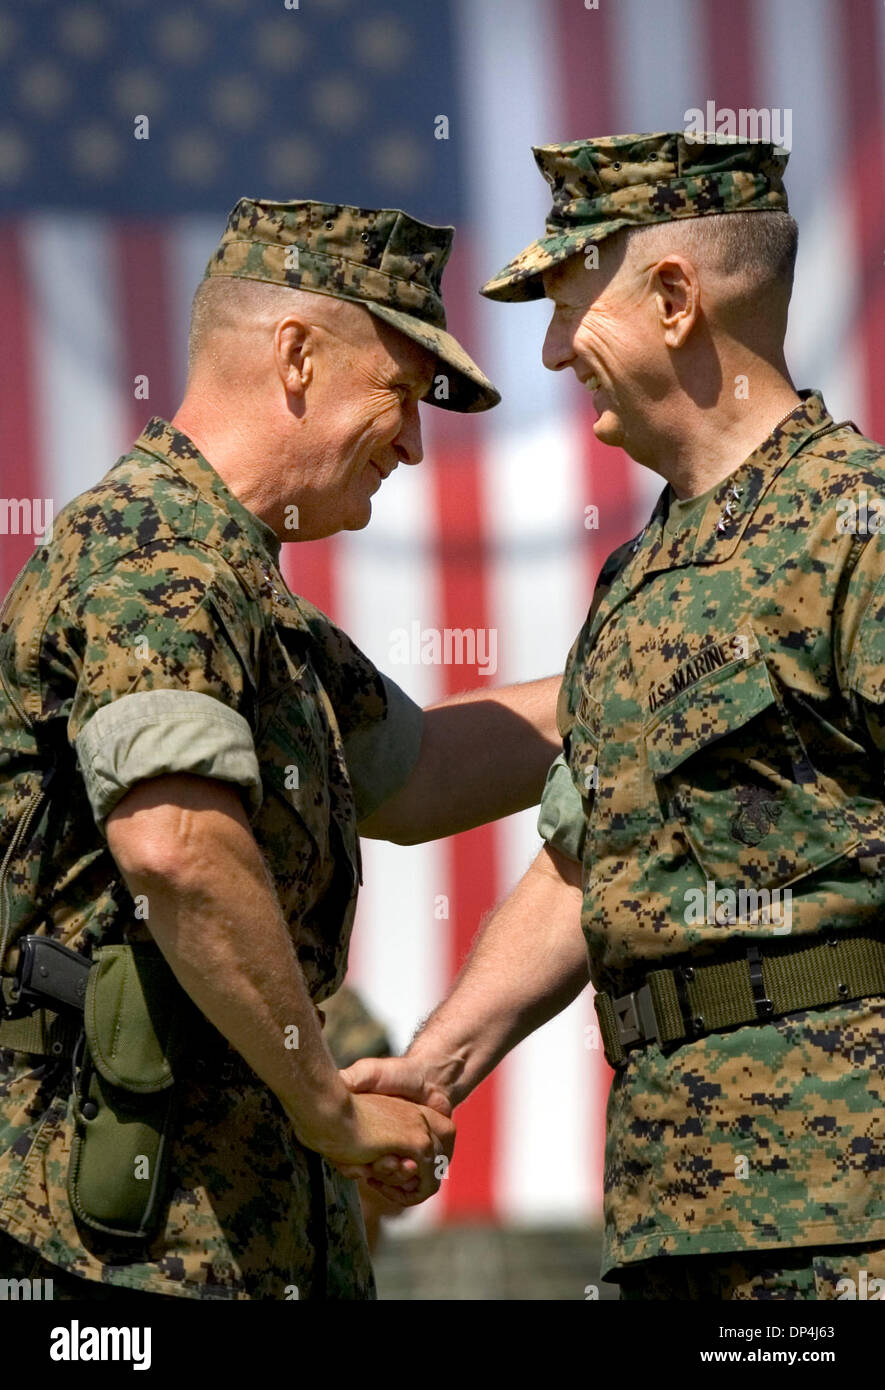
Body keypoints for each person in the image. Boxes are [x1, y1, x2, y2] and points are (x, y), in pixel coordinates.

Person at [344, 133, 885, 1301]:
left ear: (677, 298)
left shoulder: (858, 534)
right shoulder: (645, 575)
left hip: (849, 1227)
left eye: (568, 304)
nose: (548, 350)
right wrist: (433, 1068)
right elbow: (596, 853)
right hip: (672, 1216)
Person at [0, 197, 561, 1300]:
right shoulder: (155, 551)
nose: (412, 440)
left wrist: (638, 684)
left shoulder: (254, 597)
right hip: (113, 1256)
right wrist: (330, 1106)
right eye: (400, 391)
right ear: (297, 355)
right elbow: (174, 847)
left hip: (224, 1238)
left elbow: (423, 772)